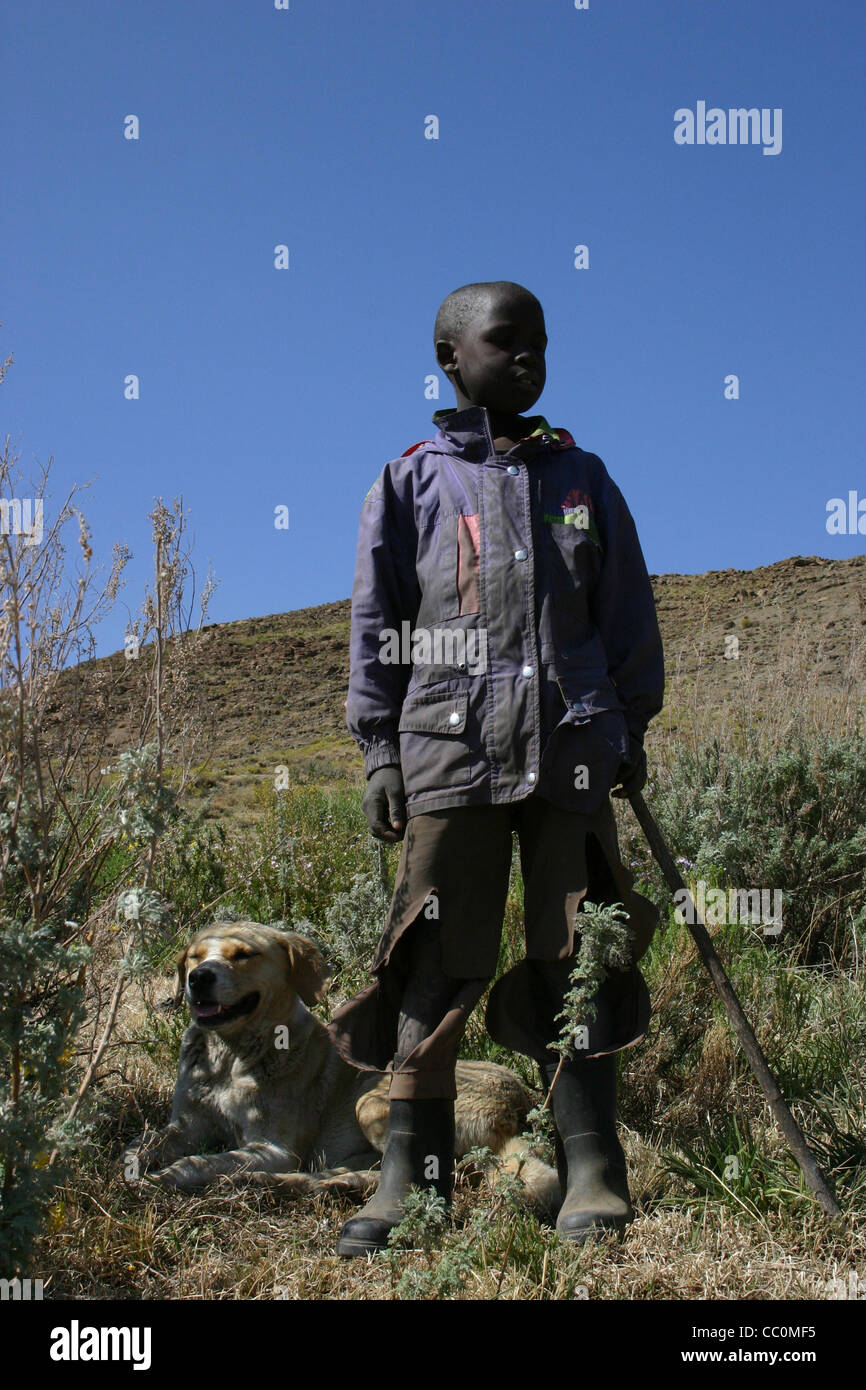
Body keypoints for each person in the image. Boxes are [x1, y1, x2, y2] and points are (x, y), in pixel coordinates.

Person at [328, 280, 665, 1257]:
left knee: (583, 945)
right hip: (447, 748)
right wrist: (380, 748)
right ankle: (410, 1182)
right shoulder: (408, 483)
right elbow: (375, 622)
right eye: (503, 340)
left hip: (570, 744)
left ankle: (592, 1167)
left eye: (540, 343)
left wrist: (625, 726)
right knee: (428, 956)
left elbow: (625, 611)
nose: (526, 356)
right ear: (448, 356)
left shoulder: (582, 481)